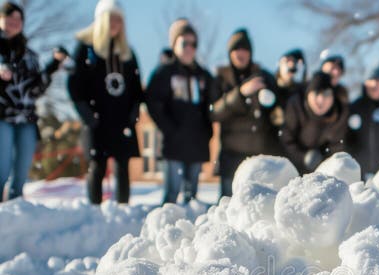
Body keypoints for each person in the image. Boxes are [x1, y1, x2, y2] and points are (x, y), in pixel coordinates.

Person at [68, 0, 143, 205]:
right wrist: (87, 115)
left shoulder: (127, 53)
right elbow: (74, 85)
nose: (115, 23)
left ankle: (123, 210)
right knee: (97, 167)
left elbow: (137, 88)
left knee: (122, 168)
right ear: (101, 19)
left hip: (121, 120)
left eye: (119, 19)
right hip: (97, 119)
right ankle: (95, 211)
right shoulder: (86, 49)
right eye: (111, 17)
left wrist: (133, 113)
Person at [0, 2, 65, 201]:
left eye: (18, 19)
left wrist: (55, 64)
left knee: (21, 173)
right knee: (2, 168)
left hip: (26, 119)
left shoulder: (29, 56)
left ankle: (15, 213)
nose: (14, 22)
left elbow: (36, 89)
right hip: (2, 117)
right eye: (9, 17)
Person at [146, 19, 216, 204]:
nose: (189, 48)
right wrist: (169, 128)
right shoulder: (164, 72)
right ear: (174, 43)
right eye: (184, 43)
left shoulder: (203, 75)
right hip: (174, 144)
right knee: (171, 195)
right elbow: (153, 102)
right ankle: (164, 229)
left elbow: (212, 106)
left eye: (193, 44)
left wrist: (207, 131)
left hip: (197, 144)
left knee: (191, 197)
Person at [210, 28, 281, 198]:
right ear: (229, 53)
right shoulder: (221, 78)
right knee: (228, 207)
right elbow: (214, 112)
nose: (240, 54)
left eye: (244, 50)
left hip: (258, 157)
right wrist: (240, 93)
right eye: (236, 50)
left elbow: (277, 109)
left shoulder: (263, 76)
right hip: (231, 156)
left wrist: (270, 101)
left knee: (257, 209)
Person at [281, 71, 347, 174]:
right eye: (316, 93)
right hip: (291, 167)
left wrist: (324, 163)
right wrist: (303, 157)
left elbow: (337, 145)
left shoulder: (339, 113)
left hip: (323, 169)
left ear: (332, 97)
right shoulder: (296, 106)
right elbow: (286, 139)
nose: (321, 99)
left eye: (326, 94)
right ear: (308, 95)